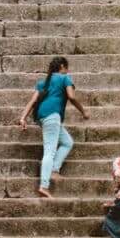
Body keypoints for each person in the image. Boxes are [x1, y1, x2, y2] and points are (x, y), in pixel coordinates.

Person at [17, 55, 90, 198]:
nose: (67, 70)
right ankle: (44, 185)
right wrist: (84, 111)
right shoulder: (65, 78)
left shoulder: (44, 82)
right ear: (62, 66)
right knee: (49, 150)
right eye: (67, 68)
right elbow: (72, 97)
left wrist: (22, 118)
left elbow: (32, 101)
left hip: (43, 116)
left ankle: (54, 169)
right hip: (52, 116)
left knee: (67, 142)